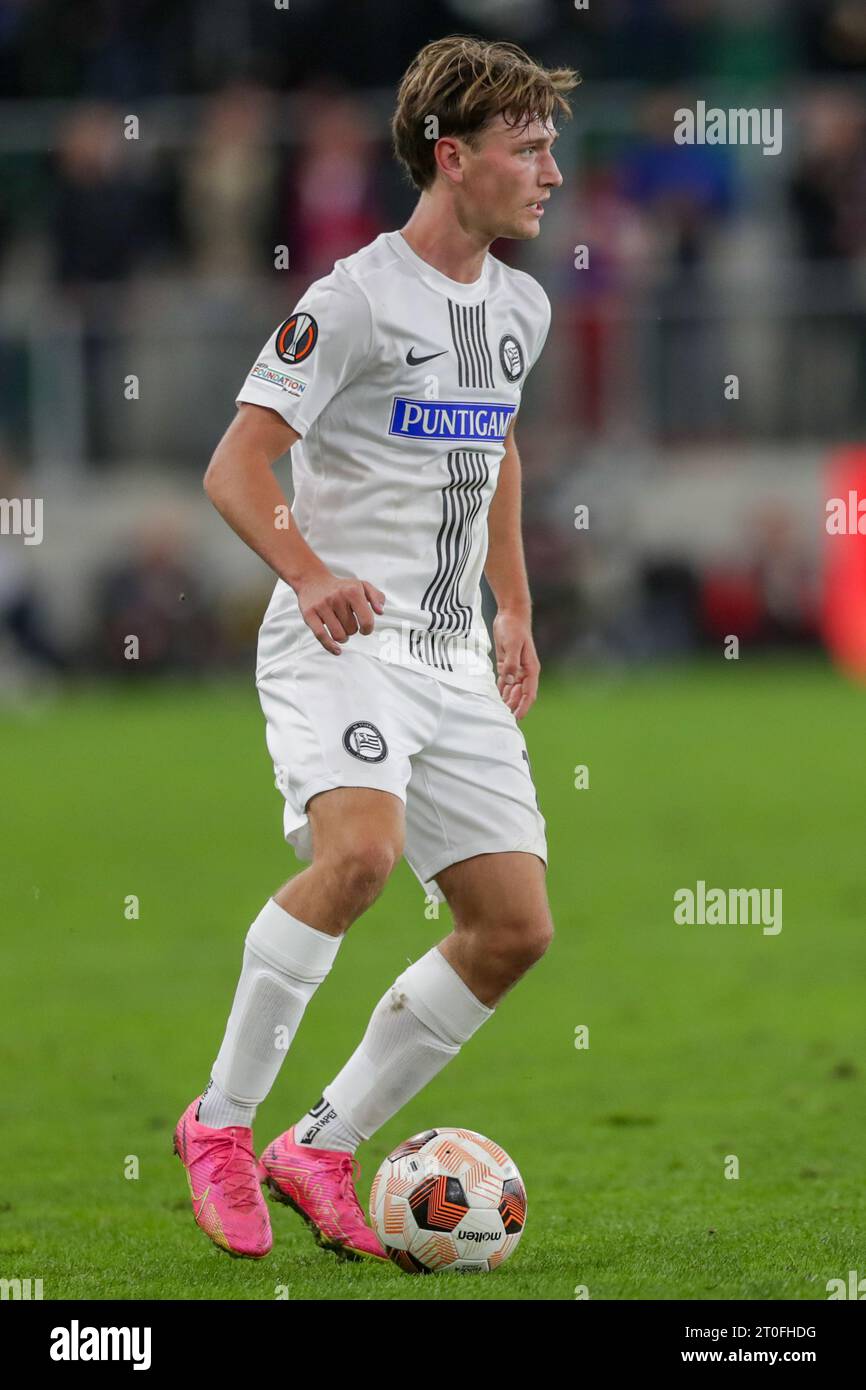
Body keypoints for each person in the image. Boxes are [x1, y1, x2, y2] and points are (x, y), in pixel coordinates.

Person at [173, 34, 578, 1262]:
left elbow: (495, 449)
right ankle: (223, 1125)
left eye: (551, 146)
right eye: (527, 148)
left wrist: (512, 607)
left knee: (512, 928)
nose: (550, 170)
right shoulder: (349, 299)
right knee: (359, 855)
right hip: (339, 640)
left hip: (454, 657)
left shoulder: (521, 304)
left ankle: (321, 1141)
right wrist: (309, 573)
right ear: (452, 161)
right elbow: (235, 466)